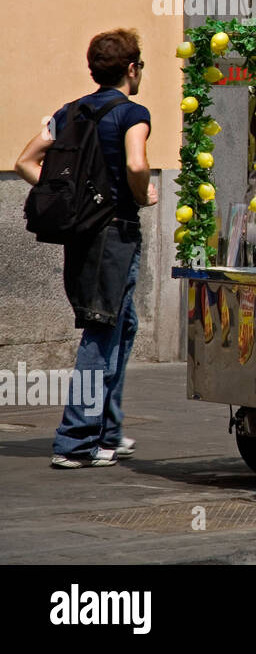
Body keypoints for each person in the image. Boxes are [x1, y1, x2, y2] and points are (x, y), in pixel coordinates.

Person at [15, 29, 158, 469]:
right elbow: (136, 163)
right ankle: (76, 441)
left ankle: (107, 431)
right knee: (101, 330)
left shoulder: (69, 110)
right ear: (132, 69)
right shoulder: (133, 113)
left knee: (122, 325)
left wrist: (68, 197)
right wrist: (141, 193)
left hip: (81, 235)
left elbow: (25, 161)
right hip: (113, 235)